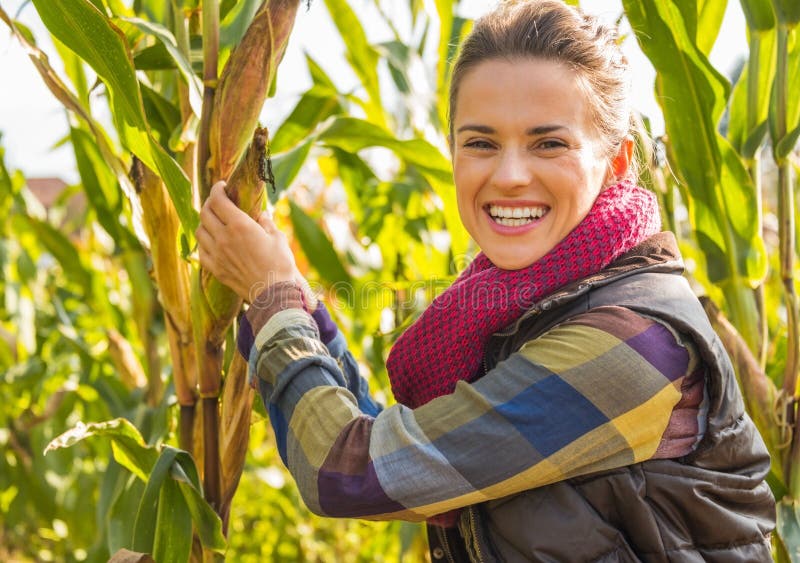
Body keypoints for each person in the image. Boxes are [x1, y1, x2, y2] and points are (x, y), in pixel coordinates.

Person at [196, 0, 776, 560]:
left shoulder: (634, 345)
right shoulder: (530, 311)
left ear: (617, 161)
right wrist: (294, 298)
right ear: (451, 151)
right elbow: (402, 458)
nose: (510, 175)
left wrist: (272, 298)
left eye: (549, 143)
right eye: (481, 143)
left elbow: (348, 473)